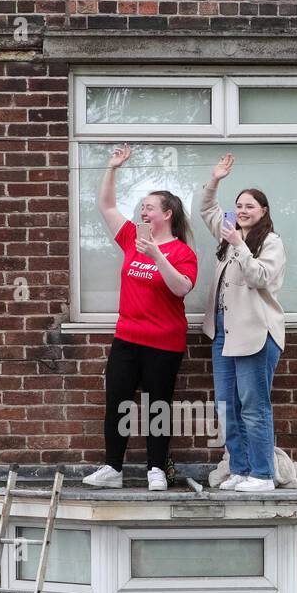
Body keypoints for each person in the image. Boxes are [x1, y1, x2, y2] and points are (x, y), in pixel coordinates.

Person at [85, 144, 198, 491]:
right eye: (142, 207)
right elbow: (105, 206)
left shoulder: (182, 251)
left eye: (149, 207)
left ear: (166, 214)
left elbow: (181, 288)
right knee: (116, 400)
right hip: (127, 337)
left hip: (164, 342)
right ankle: (113, 468)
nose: (142, 211)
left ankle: (155, 470)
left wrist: (158, 256)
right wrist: (113, 167)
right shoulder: (133, 238)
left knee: (157, 407)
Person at [200, 153, 286, 492]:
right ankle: (240, 468)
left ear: (263, 211)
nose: (243, 210)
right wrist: (216, 178)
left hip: (256, 333)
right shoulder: (228, 233)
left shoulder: (270, 242)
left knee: (254, 406)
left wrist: (240, 246)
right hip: (223, 333)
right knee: (228, 406)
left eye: (250, 205)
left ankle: (262, 475)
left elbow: (260, 278)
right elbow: (207, 208)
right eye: (239, 206)